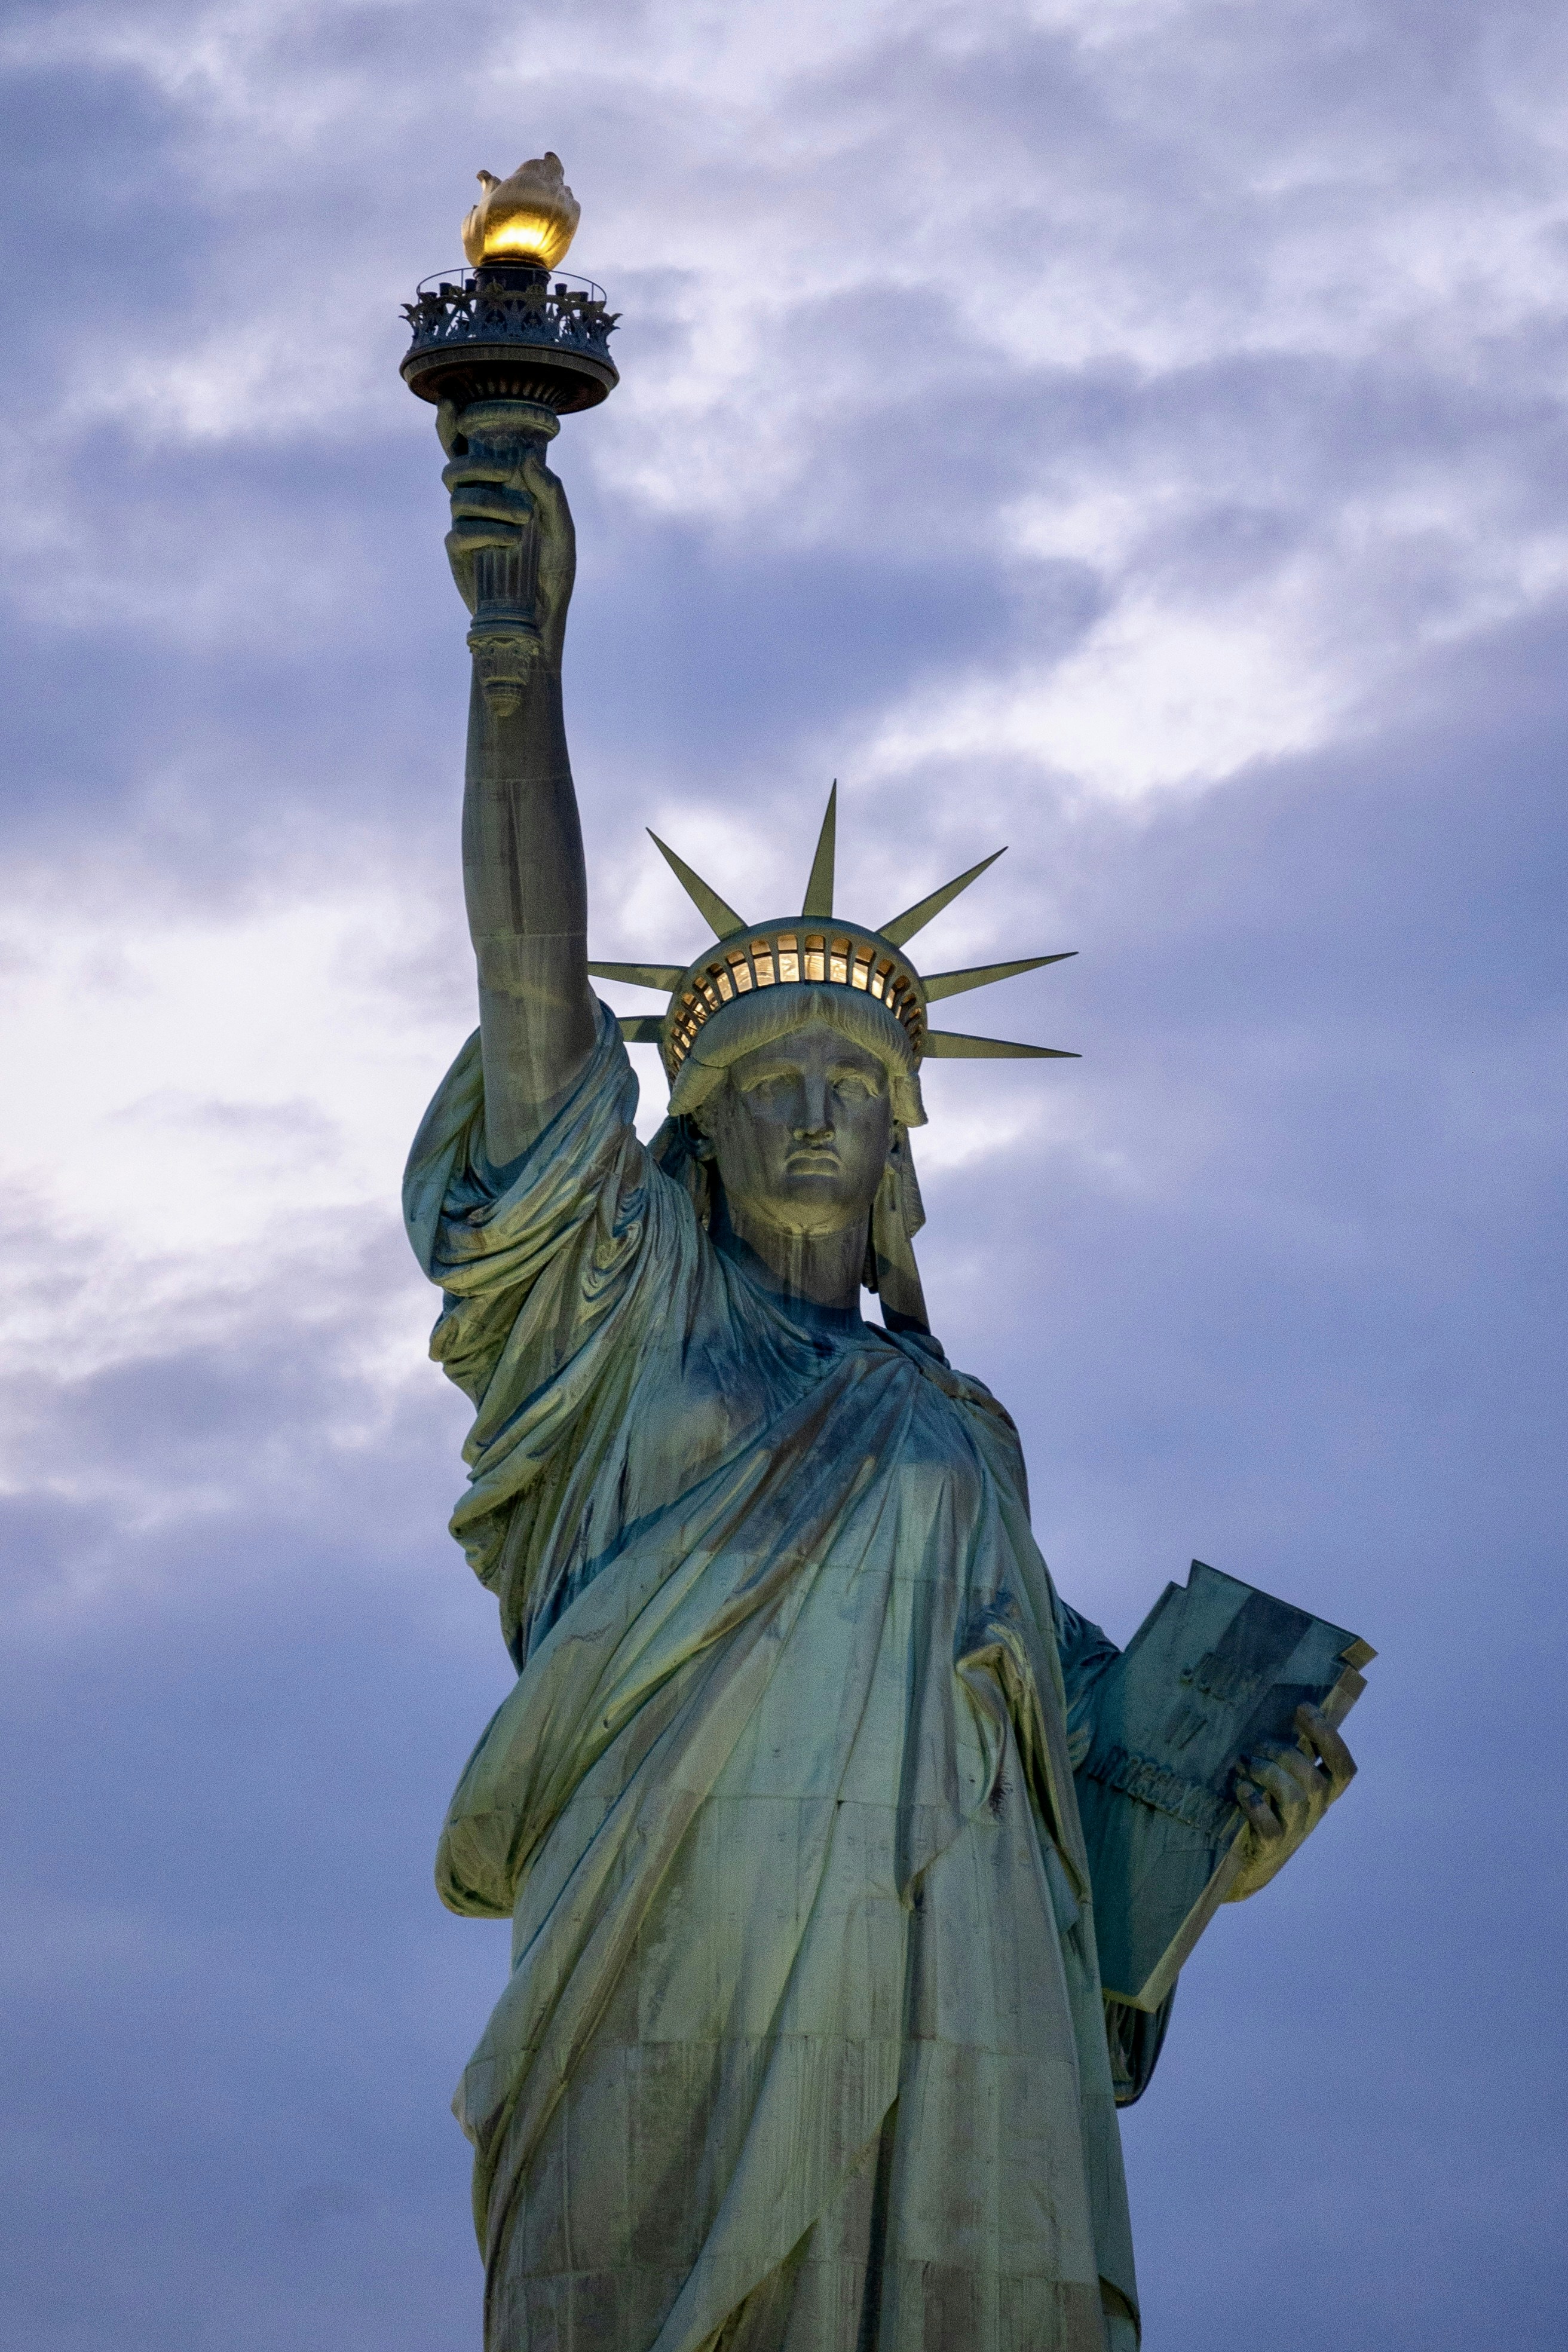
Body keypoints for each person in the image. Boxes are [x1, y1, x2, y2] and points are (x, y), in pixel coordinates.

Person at [403, 402, 1355, 2352]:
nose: (821, 1117)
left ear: (907, 1142)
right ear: (698, 1134)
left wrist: (1218, 1820)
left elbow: (1067, 1756)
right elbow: (529, 998)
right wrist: (520, 660)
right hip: (672, 1942)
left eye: (859, 1089)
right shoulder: (624, 1320)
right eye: (772, 1088)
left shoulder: (952, 1431)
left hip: (968, 2006)